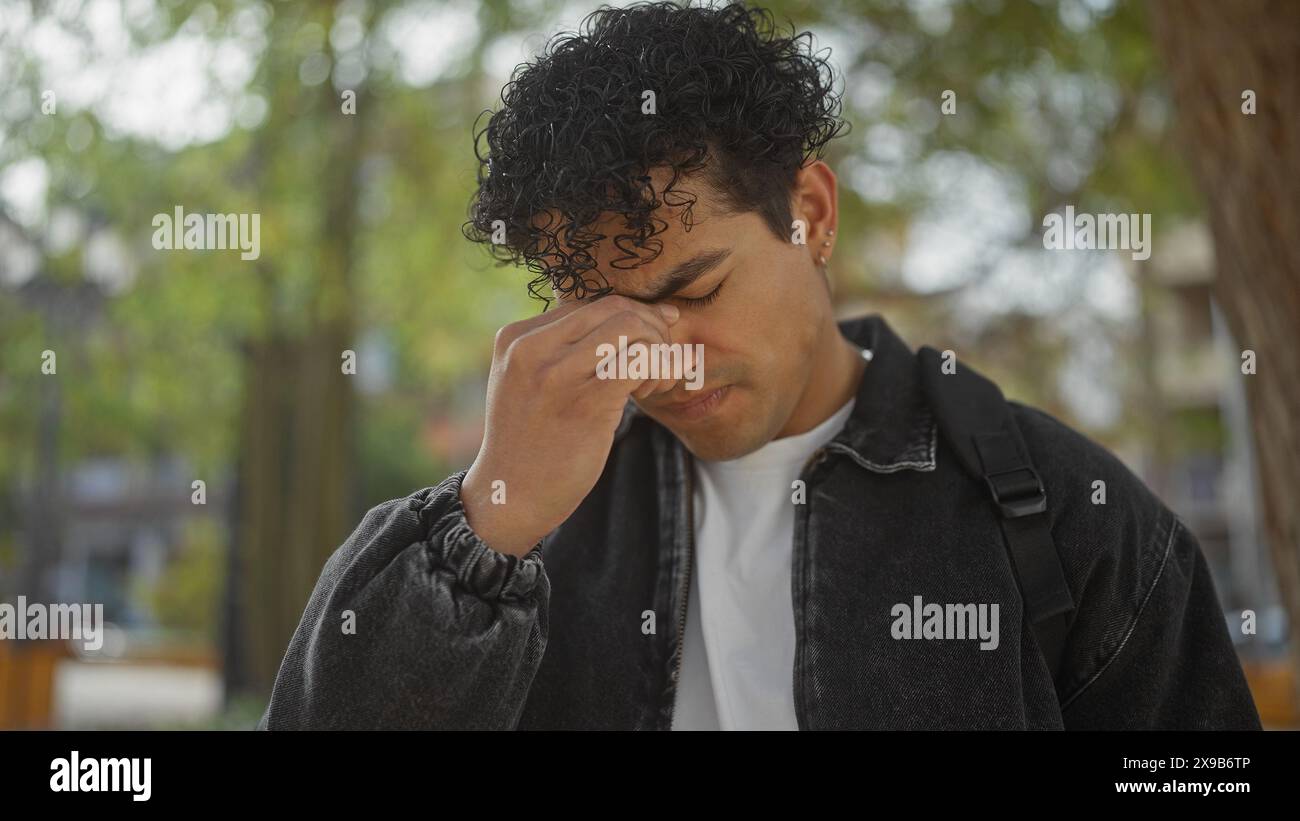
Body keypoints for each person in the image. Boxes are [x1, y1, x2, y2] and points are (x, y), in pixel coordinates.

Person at [258, 1, 1261, 730]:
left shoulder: (1061, 514)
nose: (659, 356)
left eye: (694, 291)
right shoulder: (525, 530)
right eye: (607, 314)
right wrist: (489, 521)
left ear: (810, 214)